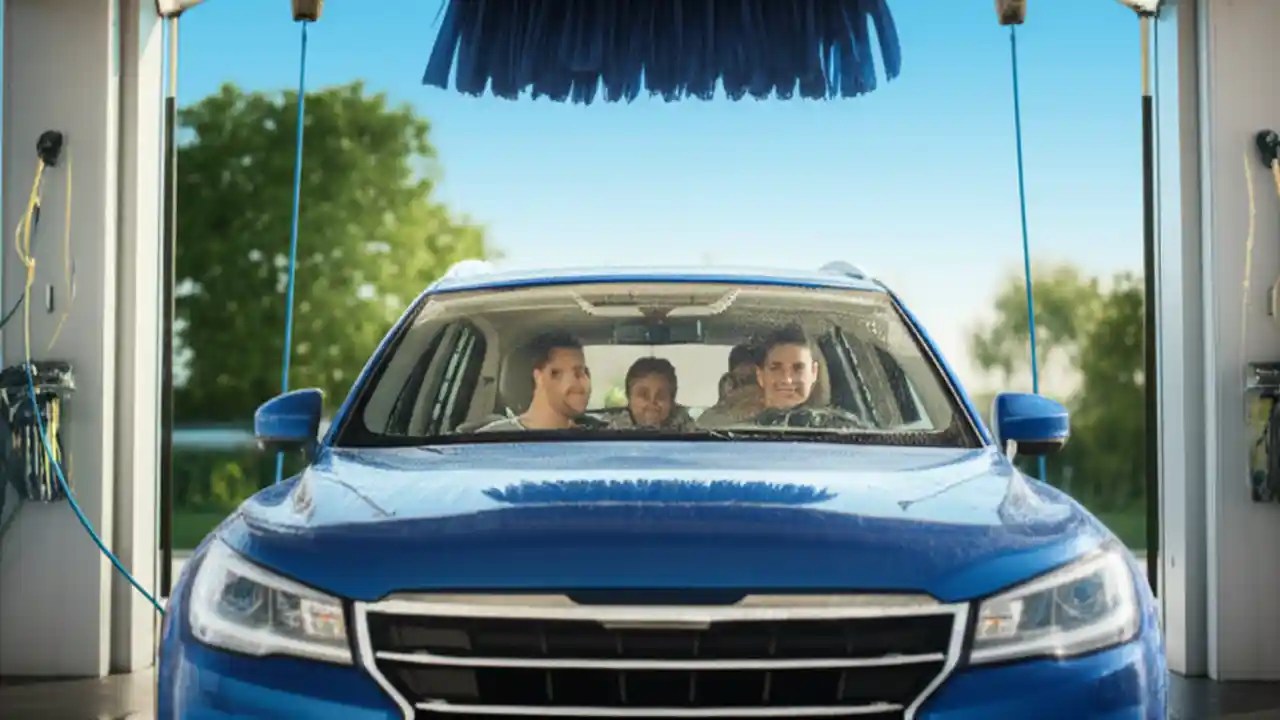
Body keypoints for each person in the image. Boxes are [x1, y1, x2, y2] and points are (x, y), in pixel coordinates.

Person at [478, 331, 592, 432]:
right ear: (540, 377)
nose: (585, 384)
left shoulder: (596, 439)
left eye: (585, 373)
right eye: (577, 373)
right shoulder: (490, 443)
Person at [607, 357, 694, 430]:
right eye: (643, 395)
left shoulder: (693, 436)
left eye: (661, 396)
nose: (652, 403)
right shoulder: (610, 436)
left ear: (671, 402)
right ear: (629, 398)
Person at [696, 342, 764, 428]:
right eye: (744, 381)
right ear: (728, 385)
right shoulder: (710, 422)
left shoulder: (777, 419)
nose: (750, 391)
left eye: (754, 380)